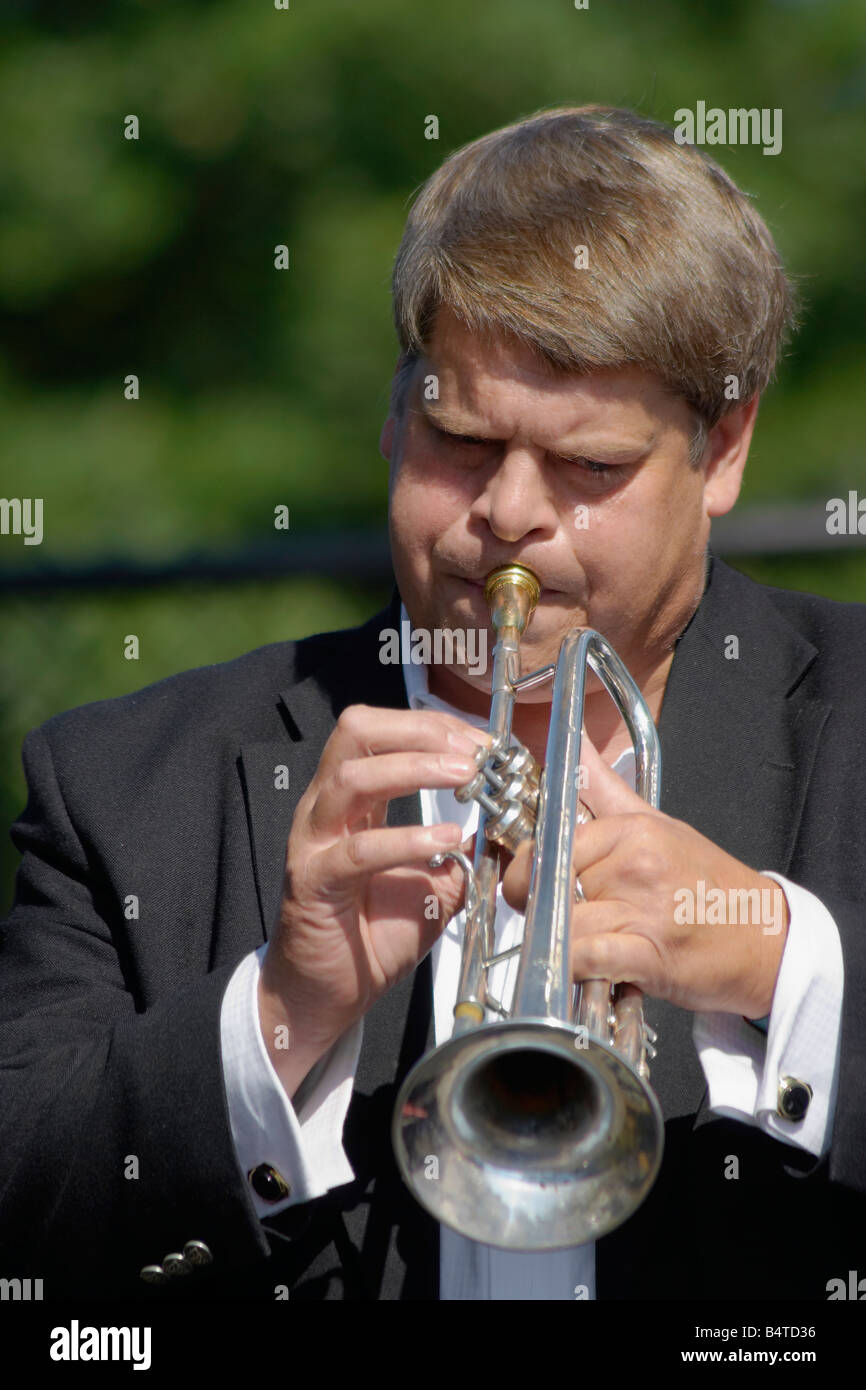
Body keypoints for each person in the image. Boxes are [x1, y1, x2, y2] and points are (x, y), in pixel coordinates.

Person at [1, 104, 864, 1303]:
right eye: (458, 438)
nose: (507, 513)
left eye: (588, 468)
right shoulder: (120, 783)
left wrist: (785, 968)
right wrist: (275, 1014)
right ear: (394, 408)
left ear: (721, 452)